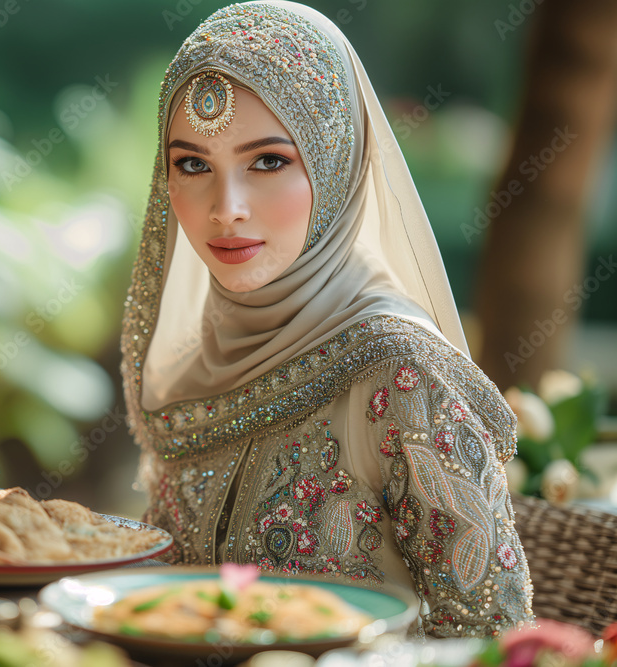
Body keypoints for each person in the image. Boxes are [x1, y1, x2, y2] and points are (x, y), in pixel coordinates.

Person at [119, 0, 534, 638]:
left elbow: (493, 636)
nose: (226, 208)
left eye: (268, 161)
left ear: (336, 162)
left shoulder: (400, 373)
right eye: (193, 164)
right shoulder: (191, 361)